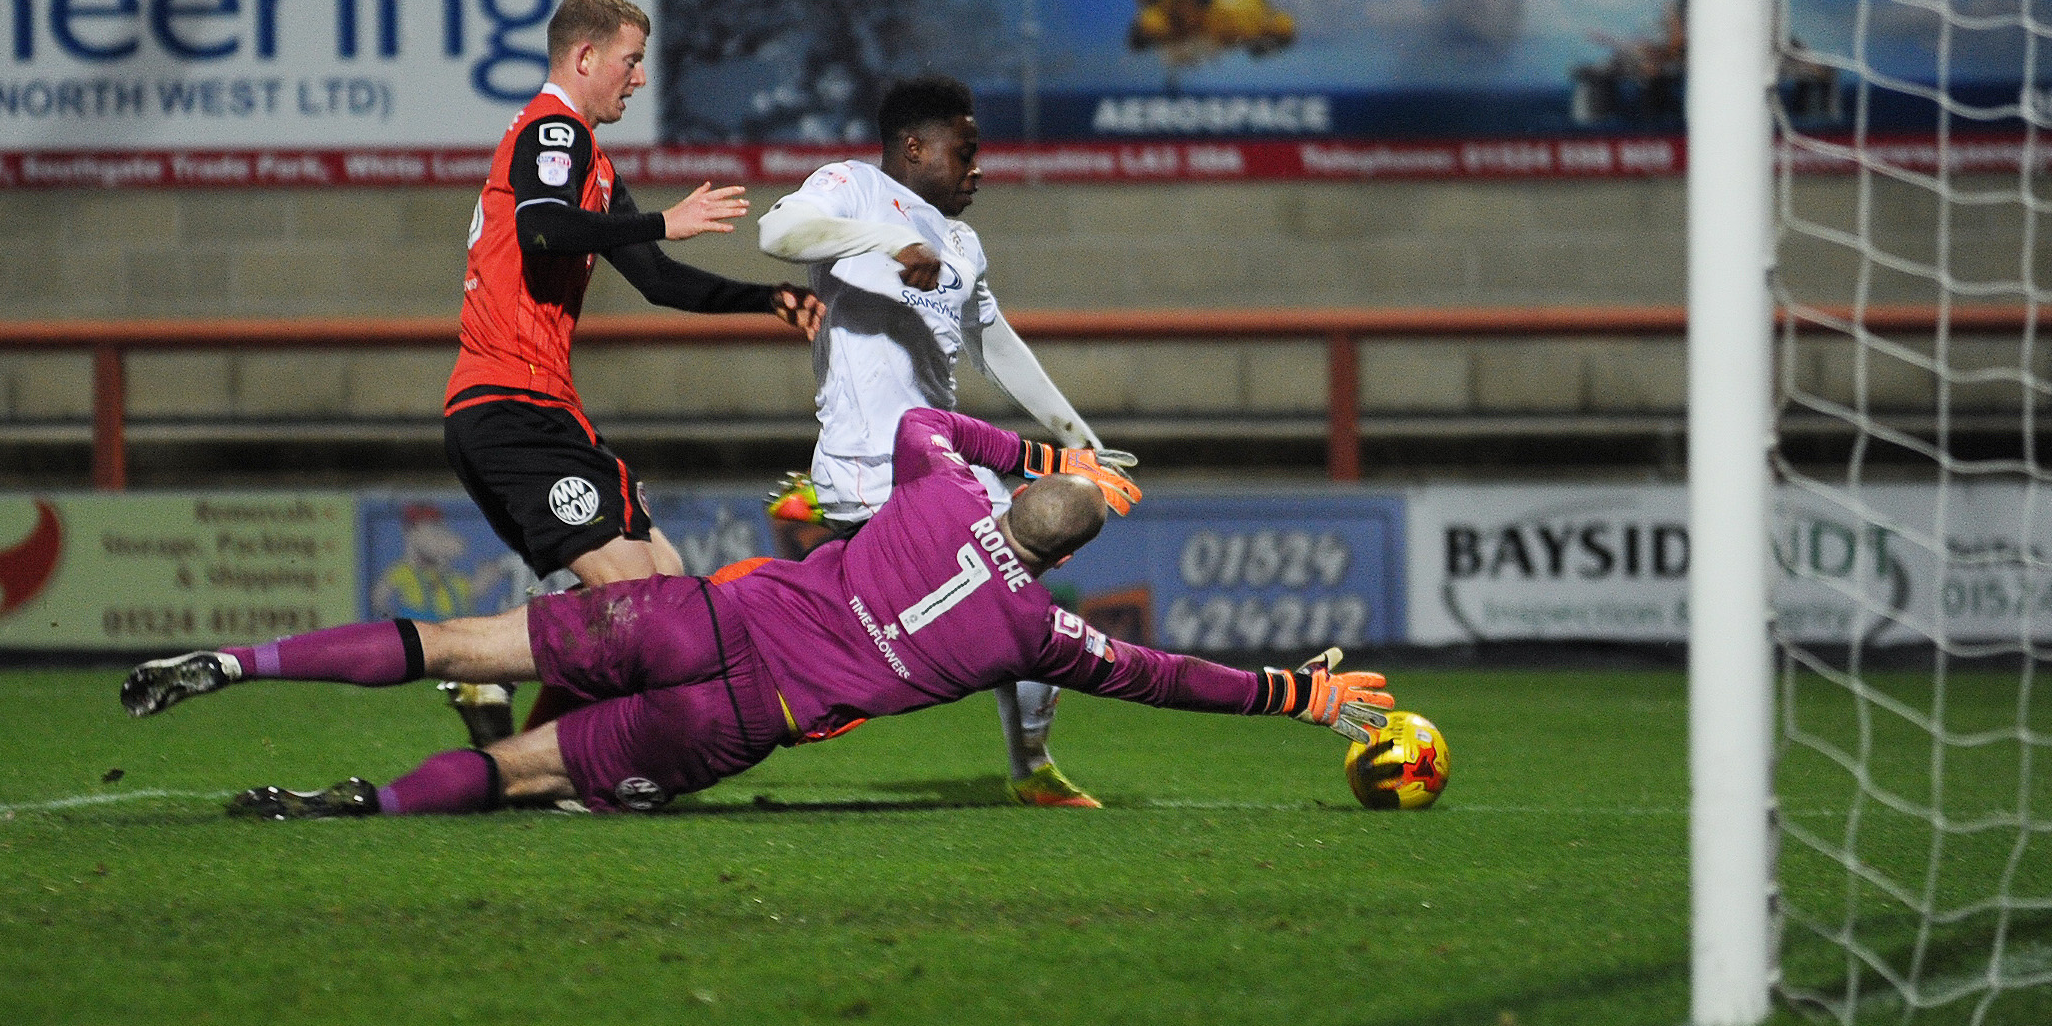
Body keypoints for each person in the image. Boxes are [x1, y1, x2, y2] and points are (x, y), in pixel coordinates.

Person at [119, 408, 1395, 820]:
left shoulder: (946, 495)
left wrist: (1044, 450)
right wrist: (1305, 694)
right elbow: (1171, 677)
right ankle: (358, 807)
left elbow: (917, 424)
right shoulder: (1040, 637)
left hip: (699, 624)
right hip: (745, 717)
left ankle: (240, 657)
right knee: (524, 770)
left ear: (1019, 491)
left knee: (460, 644)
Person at [439, 0, 824, 745]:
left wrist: (766, 299)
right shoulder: (553, 133)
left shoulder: (593, 164)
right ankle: (522, 715)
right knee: (647, 608)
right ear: (585, 57)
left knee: (669, 580)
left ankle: (507, 699)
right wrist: (667, 220)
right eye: (631, 60)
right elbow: (544, 228)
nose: (640, 77)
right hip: (511, 406)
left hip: (540, 409)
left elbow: (657, 279)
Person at [754, 74, 1124, 808]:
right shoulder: (850, 187)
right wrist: (888, 239)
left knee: (1025, 612)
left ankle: (1032, 769)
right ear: (914, 146)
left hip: (948, 470)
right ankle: (739, 709)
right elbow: (775, 233)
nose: (977, 169)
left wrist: (1083, 440)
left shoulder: (961, 242)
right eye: (966, 151)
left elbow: (996, 343)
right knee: (903, 649)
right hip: (869, 471)